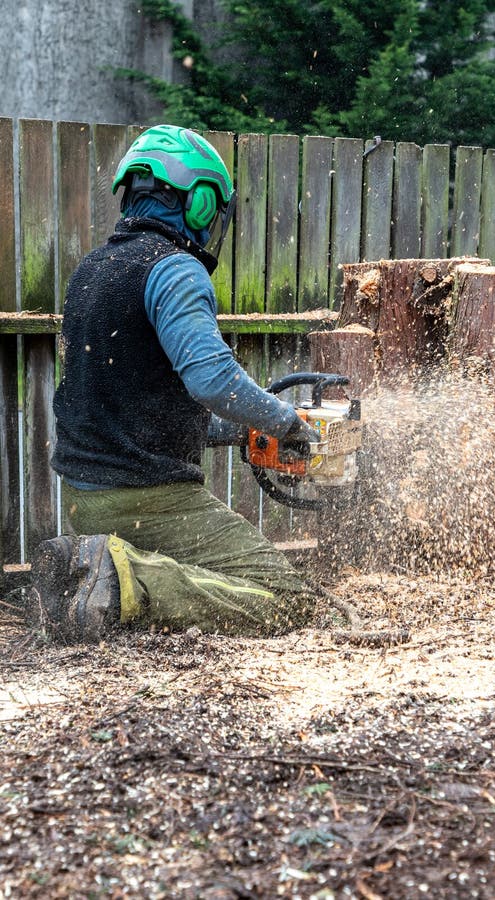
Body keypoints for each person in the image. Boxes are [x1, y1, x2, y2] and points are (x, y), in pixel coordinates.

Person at [28, 124, 319, 644]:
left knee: (223, 581)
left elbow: (133, 404)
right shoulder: (175, 270)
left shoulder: (92, 270)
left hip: (81, 498)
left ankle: (96, 564)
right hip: (145, 501)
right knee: (286, 598)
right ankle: (121, 579)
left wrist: (235, 434)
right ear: (202, 204)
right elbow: (212, 379)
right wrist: (286, 420)